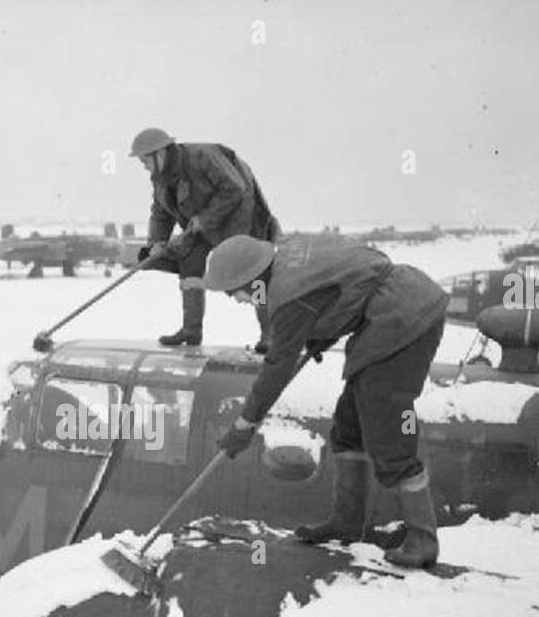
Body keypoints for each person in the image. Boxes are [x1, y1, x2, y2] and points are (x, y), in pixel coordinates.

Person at [204, 232, 449, 569]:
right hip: (387, 310)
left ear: (250, 279)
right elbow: (353, 276)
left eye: (234, 292)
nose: (237, 300)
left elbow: (277, 368)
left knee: (386, 426)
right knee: (349, 425)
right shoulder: (288, 255)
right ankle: (348, 522)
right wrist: (323, 330)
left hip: (405, 317)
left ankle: (423, 538)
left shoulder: (289, 298)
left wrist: (244, 424)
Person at [128, 128, 279, 348]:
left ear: (160, 154)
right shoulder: (160, 179)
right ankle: (191, 331)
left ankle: (270, 334)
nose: (144, 166)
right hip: (201, 223)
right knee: (189, 262)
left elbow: (235, 188)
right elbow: (160, 213)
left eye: (145, 160)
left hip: (240, 215)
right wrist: (156, 243)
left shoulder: (203, 156)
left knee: (255, 274)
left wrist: (205, 219)